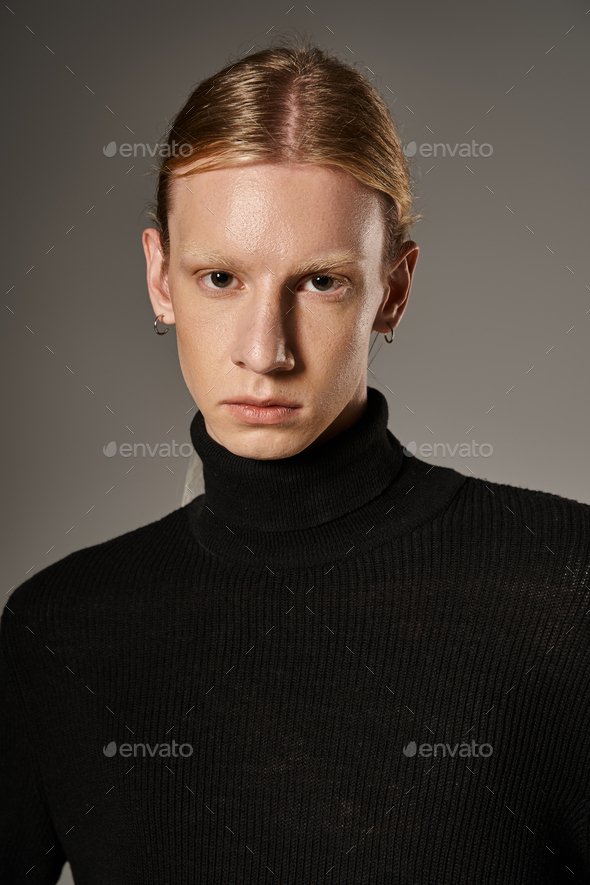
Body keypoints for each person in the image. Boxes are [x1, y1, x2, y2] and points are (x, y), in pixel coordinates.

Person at [2, 37, 589, 885]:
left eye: (320, 282)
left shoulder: (564, 589)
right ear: (160, 278)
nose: (265, 350)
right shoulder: (58, 630)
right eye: (220, 278)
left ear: (394, 287)